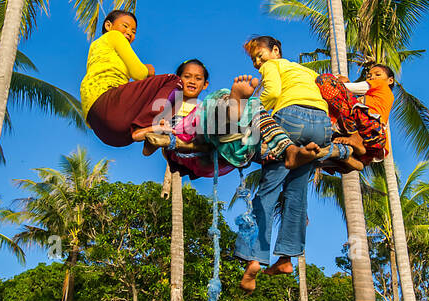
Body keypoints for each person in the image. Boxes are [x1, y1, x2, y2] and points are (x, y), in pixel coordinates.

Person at [234, 36, 332, 293]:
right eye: (254, 59)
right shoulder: (306, 70)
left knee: (268, 192)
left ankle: (255, 258)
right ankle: (287, 259)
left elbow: (274, 92)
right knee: (297, 195)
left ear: (275, 50)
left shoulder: (272, 67)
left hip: (290, 120)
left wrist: (252, 112)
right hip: (322, 126)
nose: (257, 62)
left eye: (259, 55)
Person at [149, 59, 320, 179]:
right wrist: (158, 127)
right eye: (187, 77)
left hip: (221, 145)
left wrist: (262, 152)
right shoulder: (170, 104)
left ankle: (289, 150)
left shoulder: (202, 107)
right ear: (178, 79)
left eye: (198, 78)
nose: (192, 81)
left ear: (205, 84)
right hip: (189, 146)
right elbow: (147, 145)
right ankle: (233, 103)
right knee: (217, 100)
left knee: (252, 106)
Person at [81, 10, 183, 147]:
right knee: (173, 81)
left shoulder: (98, 50)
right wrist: (149, 70)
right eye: (125, 26)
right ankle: (153, 123)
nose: (129, 32)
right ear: (108, 26)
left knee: (151, 96)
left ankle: (149, 131)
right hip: (108, 106)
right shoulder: (114, 36)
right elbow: (140, 73)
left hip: (105, 131)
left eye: (134, 31)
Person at [317, 63, 395, 172]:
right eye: (369, 76)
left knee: (324, 79)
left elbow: (347, 89)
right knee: (350, 159)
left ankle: (356, 138)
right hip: (374, 143)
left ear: (390, 80)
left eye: (378, 75)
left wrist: (339, 82)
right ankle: (351, 159)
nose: (372, 77)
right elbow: (352, 98)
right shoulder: (372, 96)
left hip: (369, 129)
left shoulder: (380, 85)